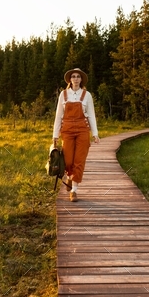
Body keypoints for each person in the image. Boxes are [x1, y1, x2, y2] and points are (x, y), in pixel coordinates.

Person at [52, 68, 100, 202]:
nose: (76, 78)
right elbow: (58, 115)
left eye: (78, 76)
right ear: (70, 79)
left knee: (79, 161)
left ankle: (74, 190)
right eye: (73, 76)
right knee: (68, 160)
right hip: (66, 130)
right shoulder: (63, 94)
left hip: (82, 130)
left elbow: (91, 114)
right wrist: (55, 135)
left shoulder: (87, 95)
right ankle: (69, 175)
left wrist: (95, 133)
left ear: (81, 79)